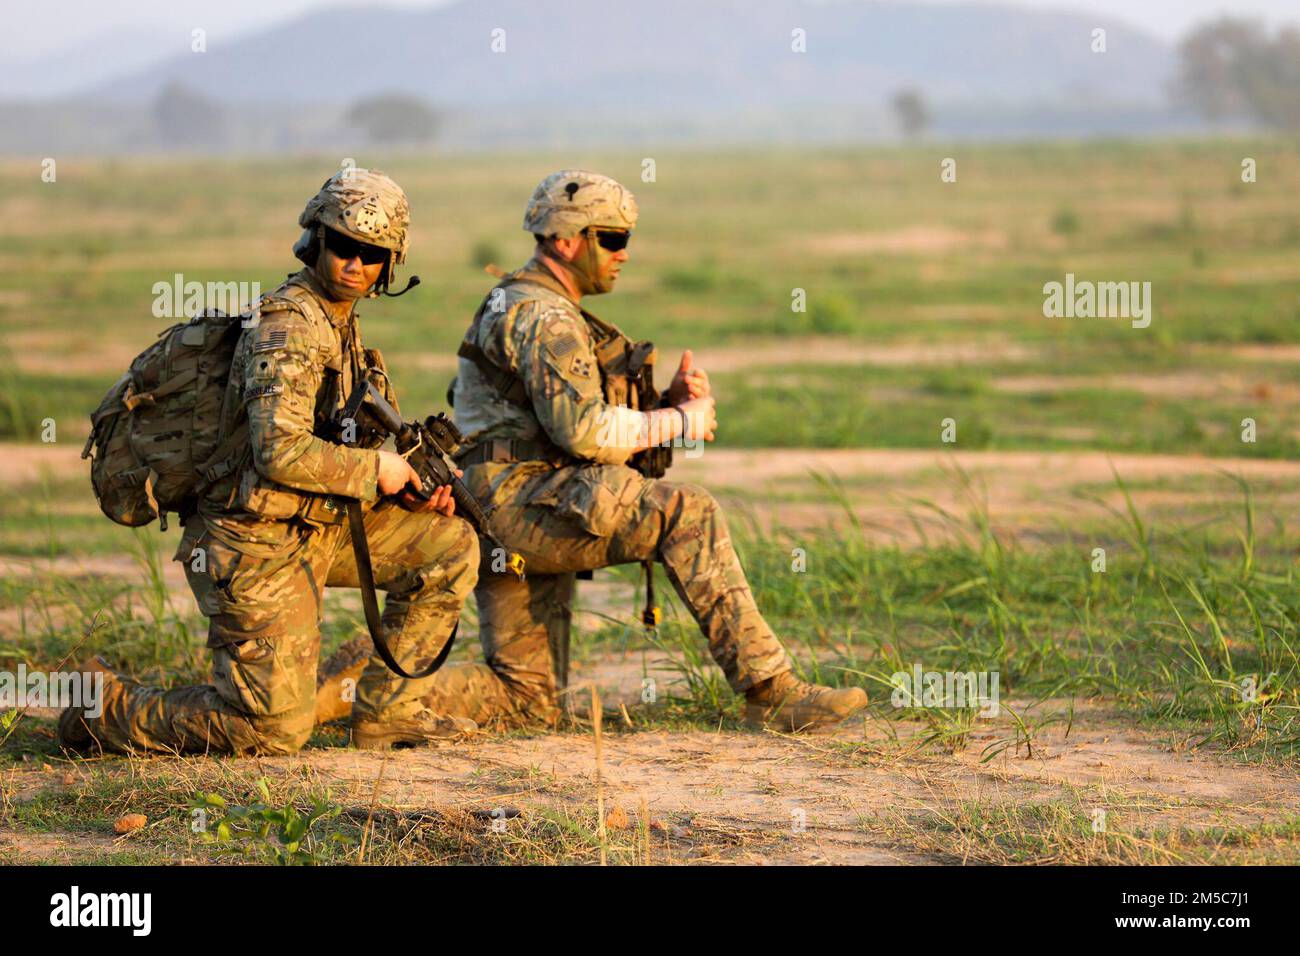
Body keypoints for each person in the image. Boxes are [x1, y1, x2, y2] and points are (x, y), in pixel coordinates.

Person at [417, 169, 868, 732]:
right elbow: (582, 432)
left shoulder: (523, 301)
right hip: (523, 499)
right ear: (565, 240)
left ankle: (361, 687)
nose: (623, 253)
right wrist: (678, 421)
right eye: (611, 238)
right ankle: (771, 692)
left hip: (501, 502)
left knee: (526, 700)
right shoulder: (544, 315)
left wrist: (661, 405)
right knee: (688, 513)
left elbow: (555, 418)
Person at [59, 168, 478, 755]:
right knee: (270, 732)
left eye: (372, 253)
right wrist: (375, 472)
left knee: (450, 544)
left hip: (312, 525)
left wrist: (401, 487)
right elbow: (279, 450)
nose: (355, 263)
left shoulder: (343, 328)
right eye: (343, 246)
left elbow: (336, 446)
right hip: (252, 541)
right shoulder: (288, 324)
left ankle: (388, 714)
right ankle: (100, 706)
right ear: (316, 241)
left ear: (391, 262)